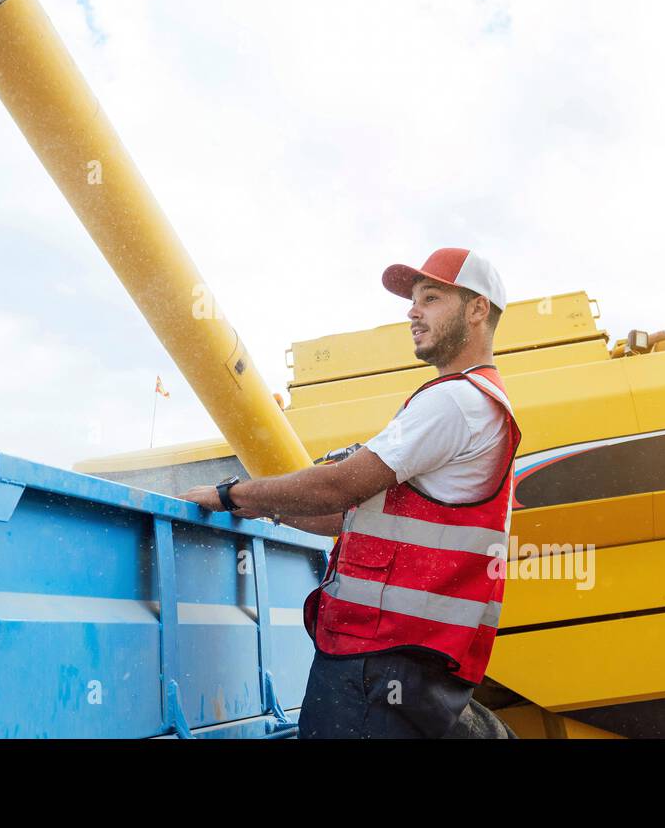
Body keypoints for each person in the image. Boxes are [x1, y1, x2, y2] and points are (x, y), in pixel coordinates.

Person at [179, 247, 523, 738]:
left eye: (431, 298)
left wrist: (231, 496)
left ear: (477, 309)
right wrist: (269, 513)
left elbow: (341, 486)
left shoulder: (457, 401)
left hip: (376, 659)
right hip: (410, 662)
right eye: (413, 300)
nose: (412, 311)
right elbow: (348, 515)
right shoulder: (478, 403)